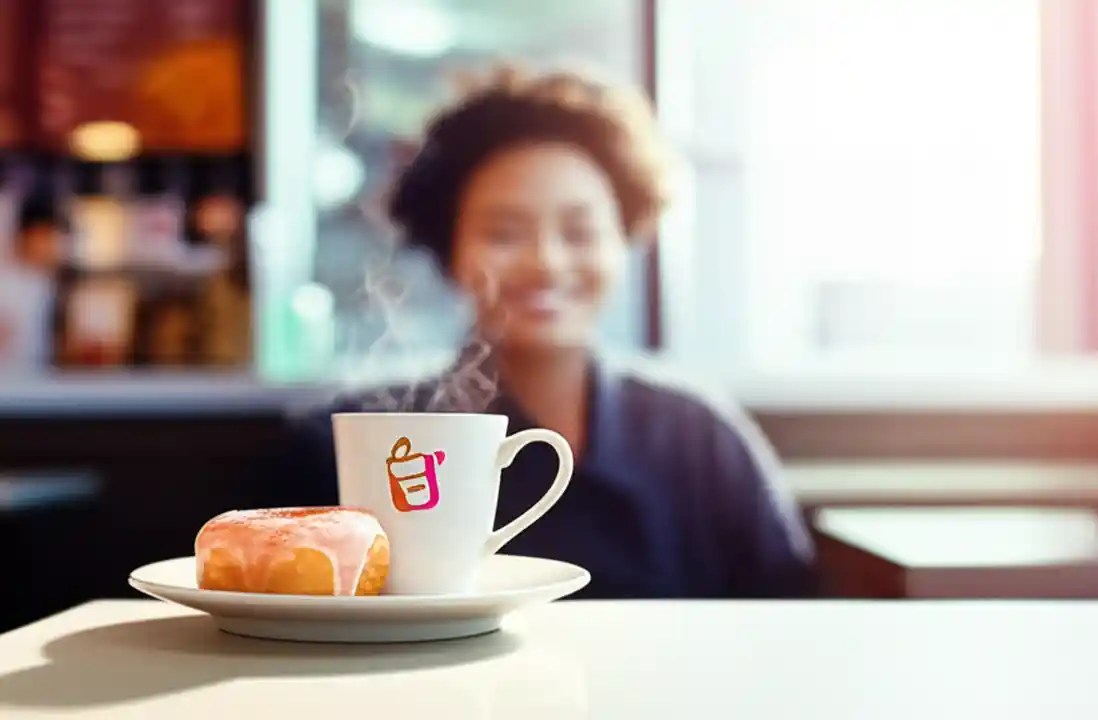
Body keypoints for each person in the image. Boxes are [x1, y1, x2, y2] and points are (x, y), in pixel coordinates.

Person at [286, 66, 814, 598]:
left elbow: (792, 620)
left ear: (623, 242)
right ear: (451, 252)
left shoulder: (700, 439)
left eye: (580, 231)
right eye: (504, 234)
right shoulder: (355, 447)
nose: (546, 262)